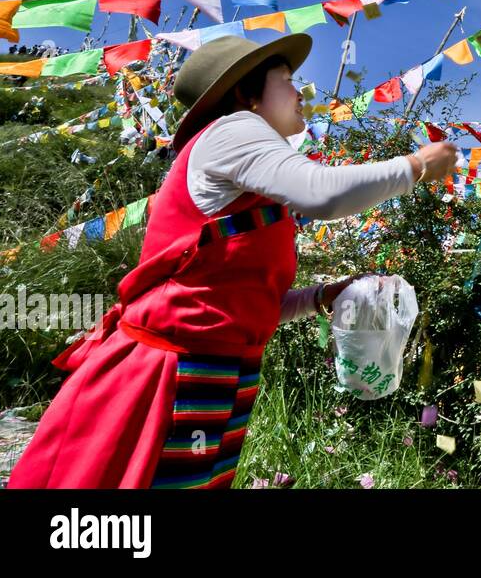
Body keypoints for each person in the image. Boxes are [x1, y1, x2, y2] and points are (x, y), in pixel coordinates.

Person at [8, 34, 457, 488]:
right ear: (246, 94)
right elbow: (324, 193)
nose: (301, 92)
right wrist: (416, 165)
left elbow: (240, 306)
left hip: (215, 373)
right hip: (168, 374)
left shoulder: (253, 184)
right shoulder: (232, 128)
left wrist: (321, 297)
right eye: (286, 80)